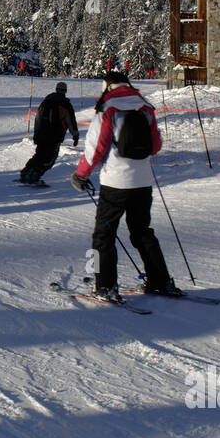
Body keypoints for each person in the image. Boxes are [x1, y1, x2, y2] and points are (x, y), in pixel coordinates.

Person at [71, 71, 180, 302]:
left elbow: (95, 149)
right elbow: (155, 145)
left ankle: (105, 287)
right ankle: (160, 281)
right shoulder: (145, 107)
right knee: (142, 231)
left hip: (115, 183)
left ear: (107, 86)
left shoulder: (108, 108)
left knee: (103, 236)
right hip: (143, 182)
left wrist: (81, 175)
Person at [18, 82, 79, 185]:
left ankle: (25, 174)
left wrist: (36, 134)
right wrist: (75, 135)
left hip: (41, 135)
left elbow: (38, 118)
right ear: (65, 91)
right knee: (49, 159)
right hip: (54, 137)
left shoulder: (45, 102)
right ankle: (34, 177)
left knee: (39, 156)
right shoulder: (65, 105)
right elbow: (71, 122)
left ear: (56, 89)